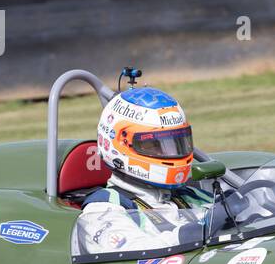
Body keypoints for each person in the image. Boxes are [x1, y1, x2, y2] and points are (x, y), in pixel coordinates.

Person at [75, 84, 215, 255]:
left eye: (176, 143)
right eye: (153, 144)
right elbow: (132, 252)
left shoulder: (188, 196)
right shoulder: (102, 208)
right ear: (121, 144)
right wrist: (193, 233)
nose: (172, 153)